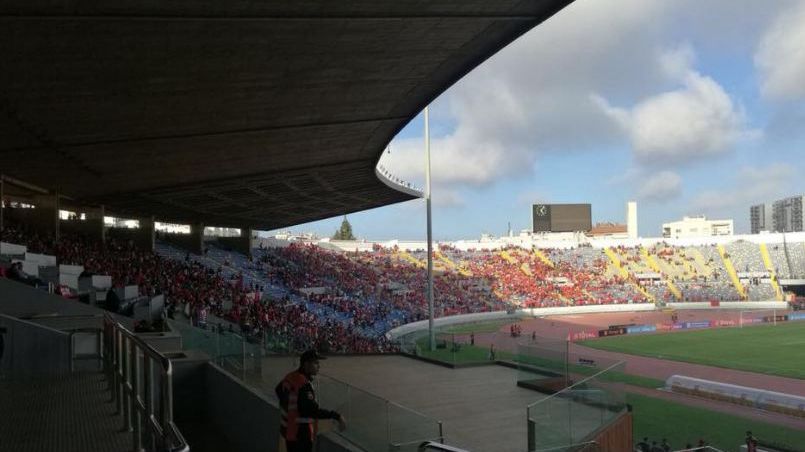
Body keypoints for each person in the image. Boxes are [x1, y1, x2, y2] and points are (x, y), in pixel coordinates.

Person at [275, 350, 346, 452]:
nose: (319, 366)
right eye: (316, 363)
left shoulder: (290, 377)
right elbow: (313, 411)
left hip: (288, 430)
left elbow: (278, 390)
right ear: (306, 364)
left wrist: (288, 410)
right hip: (300, 435)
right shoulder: (303, 385)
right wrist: (337, 416)